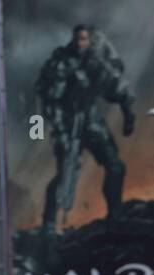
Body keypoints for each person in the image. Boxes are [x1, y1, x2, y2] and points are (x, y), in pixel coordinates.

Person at [37, 24, 135, 230]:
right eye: (78, 39)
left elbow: (119, 88)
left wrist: (128, 116)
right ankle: (49, 224)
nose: (81, 43)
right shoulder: (63, 64)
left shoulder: (98, 63)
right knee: (65, 174)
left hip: (91, 122)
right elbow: (48, 100)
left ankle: (115, 214)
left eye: (85, 39)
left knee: (115, 166)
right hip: (67, 122)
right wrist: (59, 129)